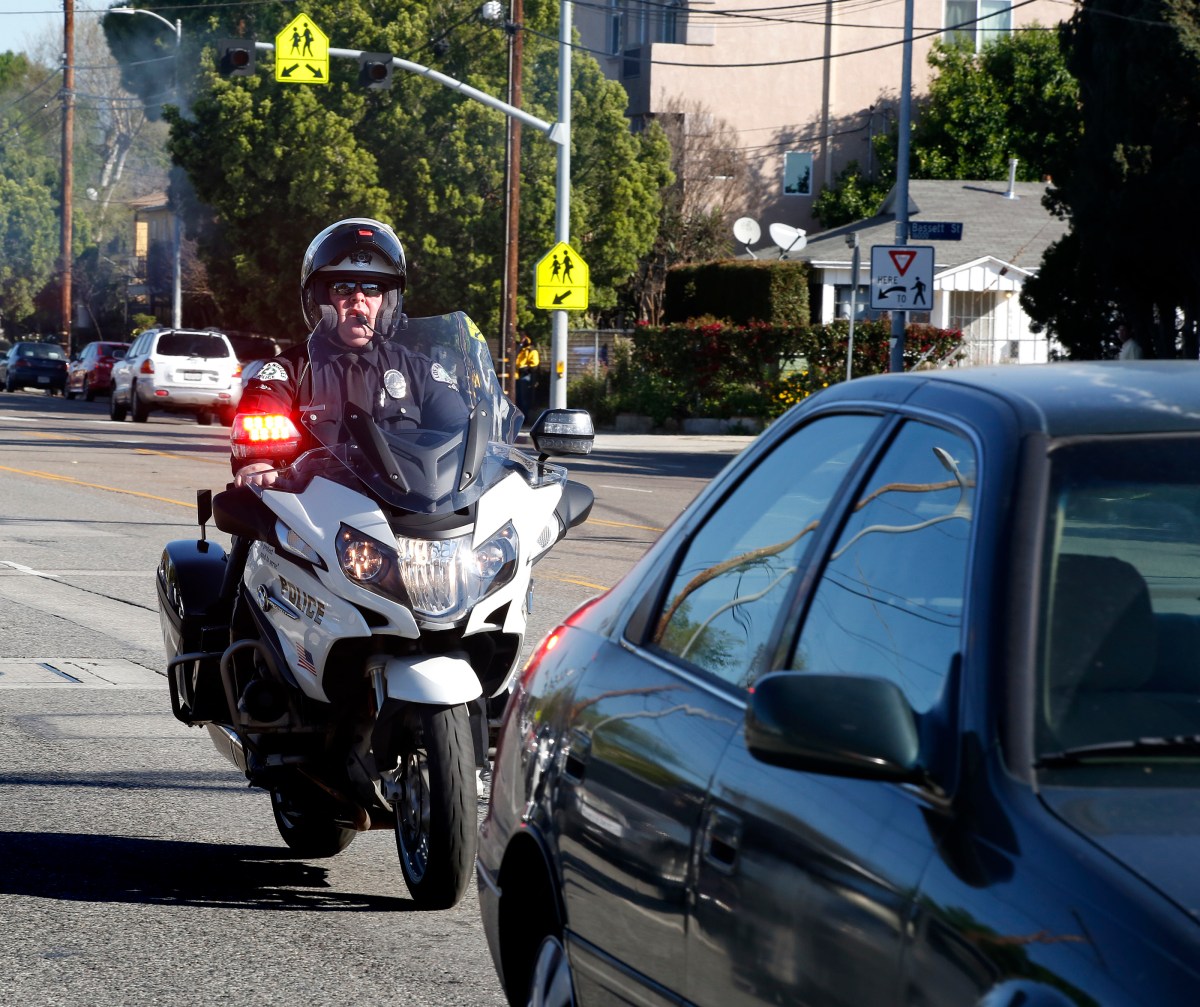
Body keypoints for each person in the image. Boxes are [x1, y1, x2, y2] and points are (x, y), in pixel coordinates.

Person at [231, 217, 468, 486]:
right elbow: (256, 434)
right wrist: (258, 464)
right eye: (343, 287)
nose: (359, 298)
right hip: (312, 518)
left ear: (388, 302)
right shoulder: (288, 373)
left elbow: (461, 432)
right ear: (320, 299)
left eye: (372, 288)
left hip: (407, 516)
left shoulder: (420, 371)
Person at [514, 334, 539, 418]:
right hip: (517, 375)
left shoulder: (532, 351)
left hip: (525, 375)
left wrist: (525, 368)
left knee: (524, 398)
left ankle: (525, 417)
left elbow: (534, 365)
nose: (522, 341)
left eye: (524, 339)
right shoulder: (520, 349)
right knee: (518, 398)